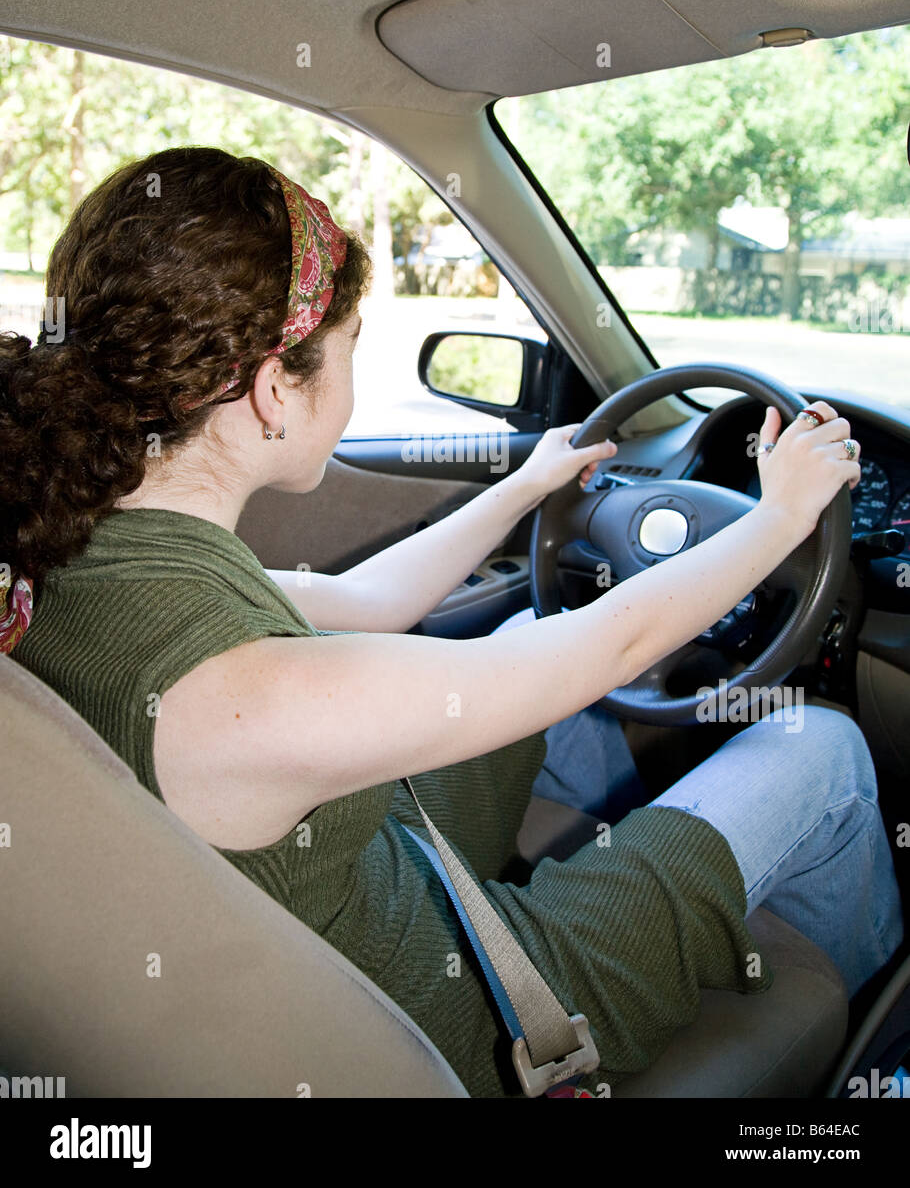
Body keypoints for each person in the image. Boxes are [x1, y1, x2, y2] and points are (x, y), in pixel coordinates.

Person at [0, 146, 902, 1098]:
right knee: (824, 748)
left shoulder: (80, 549)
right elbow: (614, 642)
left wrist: (523, 486)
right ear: (273, 389)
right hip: (464, 1005)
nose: (351, 376)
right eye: (350, 348)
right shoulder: (241, 695)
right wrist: (778, 517)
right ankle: (867, 1069)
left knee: (522, 655)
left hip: (367, 867)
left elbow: (370, 604)